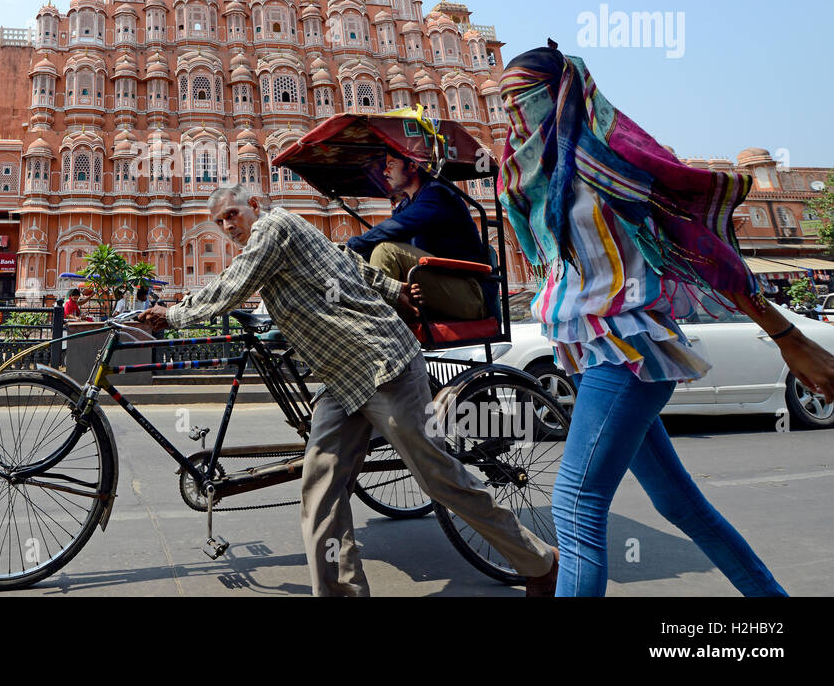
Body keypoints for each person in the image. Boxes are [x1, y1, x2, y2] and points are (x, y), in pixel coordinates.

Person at [497, 41, 834, 597]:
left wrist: (787, 337)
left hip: (628, 345)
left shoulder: (609, 157)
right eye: (505, 102)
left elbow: (701, 247)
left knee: (575, 504)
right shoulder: (534, 176)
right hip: (583, 349)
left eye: (527, 97)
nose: (516, 113)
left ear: (561, 94)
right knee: (679, 504)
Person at [139, 184, 559, 597]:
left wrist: (174, 313)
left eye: (232, 214)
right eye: (219, 222)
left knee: (439, 478)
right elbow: (348, 264)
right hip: (342, 380)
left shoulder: (273, 229)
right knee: (320, 486)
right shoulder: (293, 232)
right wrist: (395, 289)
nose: (228, 226)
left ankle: (540, 561)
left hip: (382, 364)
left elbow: (232, 284)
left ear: (253, 204)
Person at [346, 151, 489, 321]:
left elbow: (396, 228)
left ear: (413, 166)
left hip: (468, 293)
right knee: (370, 256)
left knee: (386, 251)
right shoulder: (405, 205)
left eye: (391, 164)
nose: (385, 172)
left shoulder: (438, 194)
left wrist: (351, 246)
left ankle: (379, 326)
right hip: (433, 283)